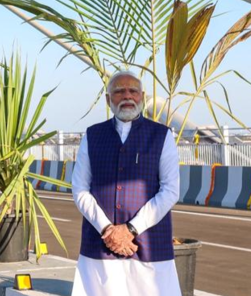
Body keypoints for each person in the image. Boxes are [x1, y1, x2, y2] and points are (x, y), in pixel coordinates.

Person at [71, 70, 181, 296]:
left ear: (142, 96)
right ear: (108, 99)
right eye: (119, 91)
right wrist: (108, 230)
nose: (127, 96)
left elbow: (170, 191)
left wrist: (131, 229)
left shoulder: (162, 135)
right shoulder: (92, 135)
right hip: (101, 242)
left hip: (149, 243)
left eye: (133, 91)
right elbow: (80, 189)